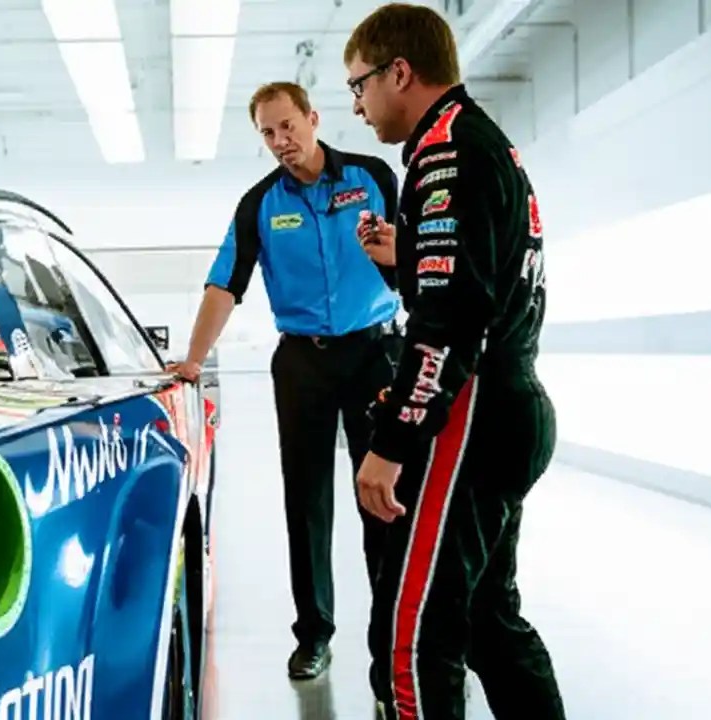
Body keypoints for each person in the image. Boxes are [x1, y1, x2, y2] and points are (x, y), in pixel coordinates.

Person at [342, 4, 566, 719]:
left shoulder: (445, 153)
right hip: (513, 403)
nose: (356, 105)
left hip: (468, 417)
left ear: (399, 72)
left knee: (414, 641)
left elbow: (448, 323)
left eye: (359, 85)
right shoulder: (484, 144)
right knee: (490, 625)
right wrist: (402, 259)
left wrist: (393, 442)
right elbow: (474, 283)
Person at [166, 81, 403, 680]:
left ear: (312, 119)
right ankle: (315, 634)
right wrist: (194, 359)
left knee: (381, 498)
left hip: (375, 354)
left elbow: (414, 254)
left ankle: (389, 643)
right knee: (306, 500)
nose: (280, 141)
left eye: (287, 126)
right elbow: (226, 283)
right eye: (268, 133)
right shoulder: (260, 205)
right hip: (302, 363)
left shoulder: (372, 176)